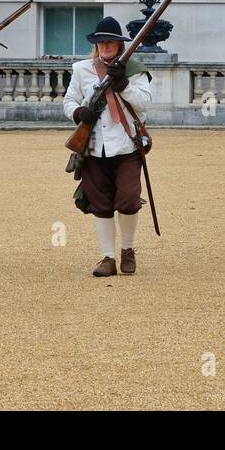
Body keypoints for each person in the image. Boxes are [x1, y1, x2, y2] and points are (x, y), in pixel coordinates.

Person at [62, 16, 154, 277]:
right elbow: (69, 101)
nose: (105, 46)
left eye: (110, 42)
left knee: (127, 200)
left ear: (119, 44)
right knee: (100, 204)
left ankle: (127, 250)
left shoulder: (134, 69)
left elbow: (144, 104)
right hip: (93, 146)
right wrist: (79, 113)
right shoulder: (82, 69)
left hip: (126, 146)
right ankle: (108, 257)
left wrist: (123, 85)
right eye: (101, 42)